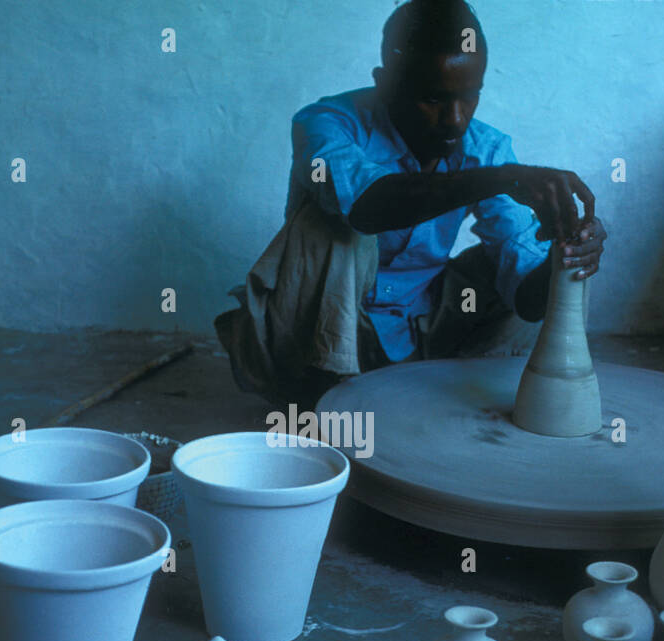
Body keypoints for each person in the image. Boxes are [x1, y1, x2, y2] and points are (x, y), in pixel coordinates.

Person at [215, 0, 607, 410]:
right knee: (332, 227)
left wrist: (566, 256)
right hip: (315, 340)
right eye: (433, 100)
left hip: (424, 331)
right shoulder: (326, 124)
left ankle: (448, 395)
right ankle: (329, 404)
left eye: (470, 96)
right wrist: (503, 178)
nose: (456, 119)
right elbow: (368, 206)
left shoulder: (487, 149)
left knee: (531, 265)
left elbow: (526, 300)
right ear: (385, 84)